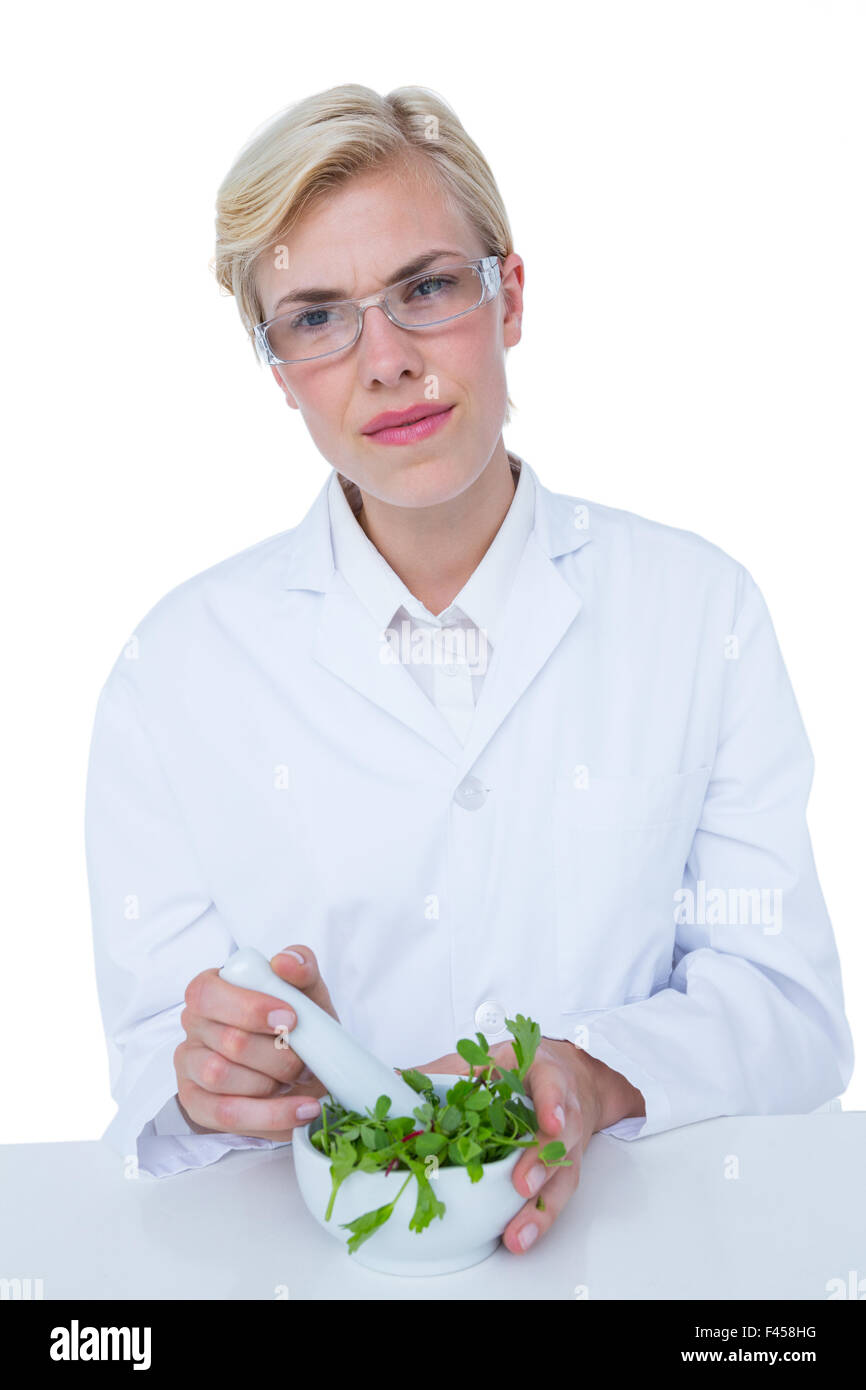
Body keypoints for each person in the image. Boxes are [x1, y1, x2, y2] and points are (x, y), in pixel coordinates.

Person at [85, 83, 854, 1258]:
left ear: (510, 297)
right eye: (316, 317)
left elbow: (791, 1017)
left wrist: (590, 1073)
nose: (384, 361)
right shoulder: (173, 674)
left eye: (426, 288)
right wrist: (209, 1081)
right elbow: (156, 1069)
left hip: (647, 1266)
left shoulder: (701, 612)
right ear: (277, 367)